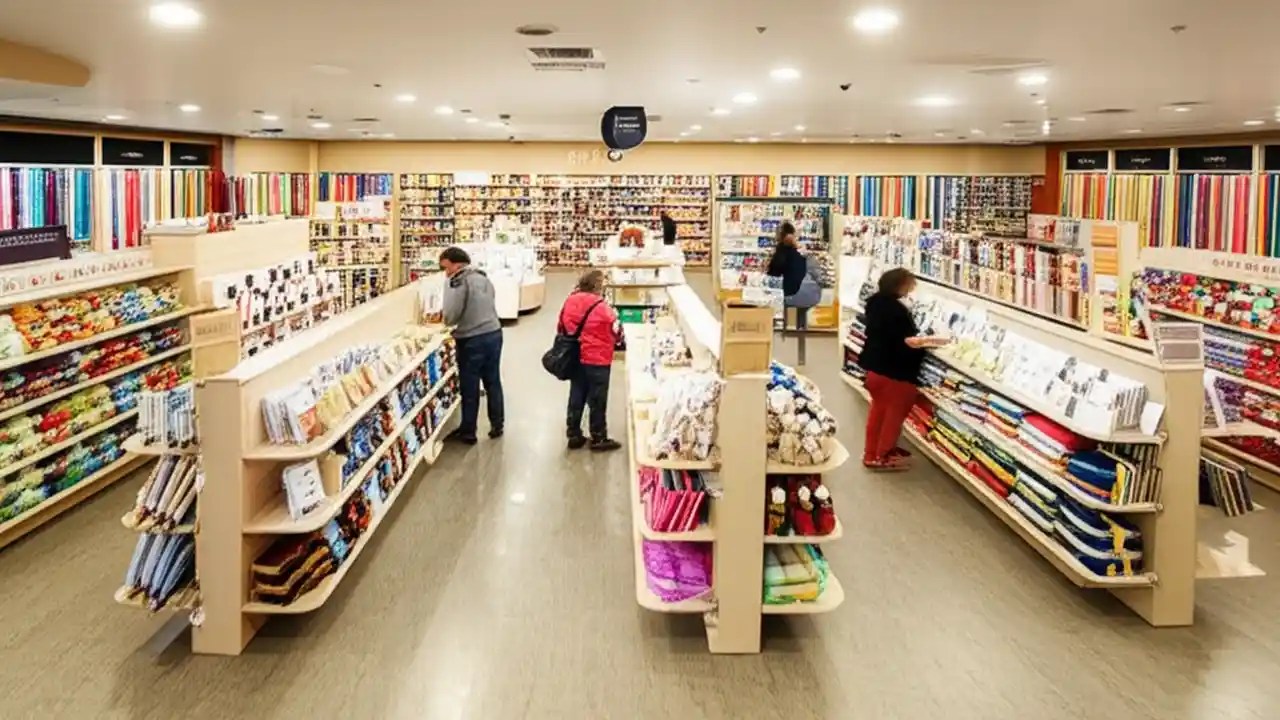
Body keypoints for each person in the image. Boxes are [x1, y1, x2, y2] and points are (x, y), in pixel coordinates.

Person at [858, 268, 948, 470]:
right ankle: (883, 454)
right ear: (899, 285)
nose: (912, 288)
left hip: (875, 369)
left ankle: (872, 453)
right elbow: (905, 341)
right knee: (893, 414)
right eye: (910, 284)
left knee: (878, 412)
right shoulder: (895, 310)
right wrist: (927, 341)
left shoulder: (875, 304)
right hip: (893, 372)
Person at [439, 246, 505, 444]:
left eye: (446, 267)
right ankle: (497, 424)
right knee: (493, 381)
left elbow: (451, 316)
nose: (446, 272)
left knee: (470, 386)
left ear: (456, 264)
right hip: (494, 333)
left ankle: (468, 431)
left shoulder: (457, 281)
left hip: (472, 339)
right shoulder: (483, 277)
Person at [557, 269, 622, 451]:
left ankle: (574, 434)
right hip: (597, 358)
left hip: (576, 356)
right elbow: (616, 331)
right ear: (598, 286)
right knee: (597, 398)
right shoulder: (602, 307)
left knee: (577, 394)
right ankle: (599, 437)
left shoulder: (570, 300)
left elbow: (560, 325)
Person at [766, 220, 822, 332]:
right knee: (801, 309)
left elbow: (773, 273)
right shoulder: (801, 253)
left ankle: (785, 329)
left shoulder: (781, 253)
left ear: (780, 237)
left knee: (780, 296)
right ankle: (802, 330)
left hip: (790, 295)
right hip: (810, 295)